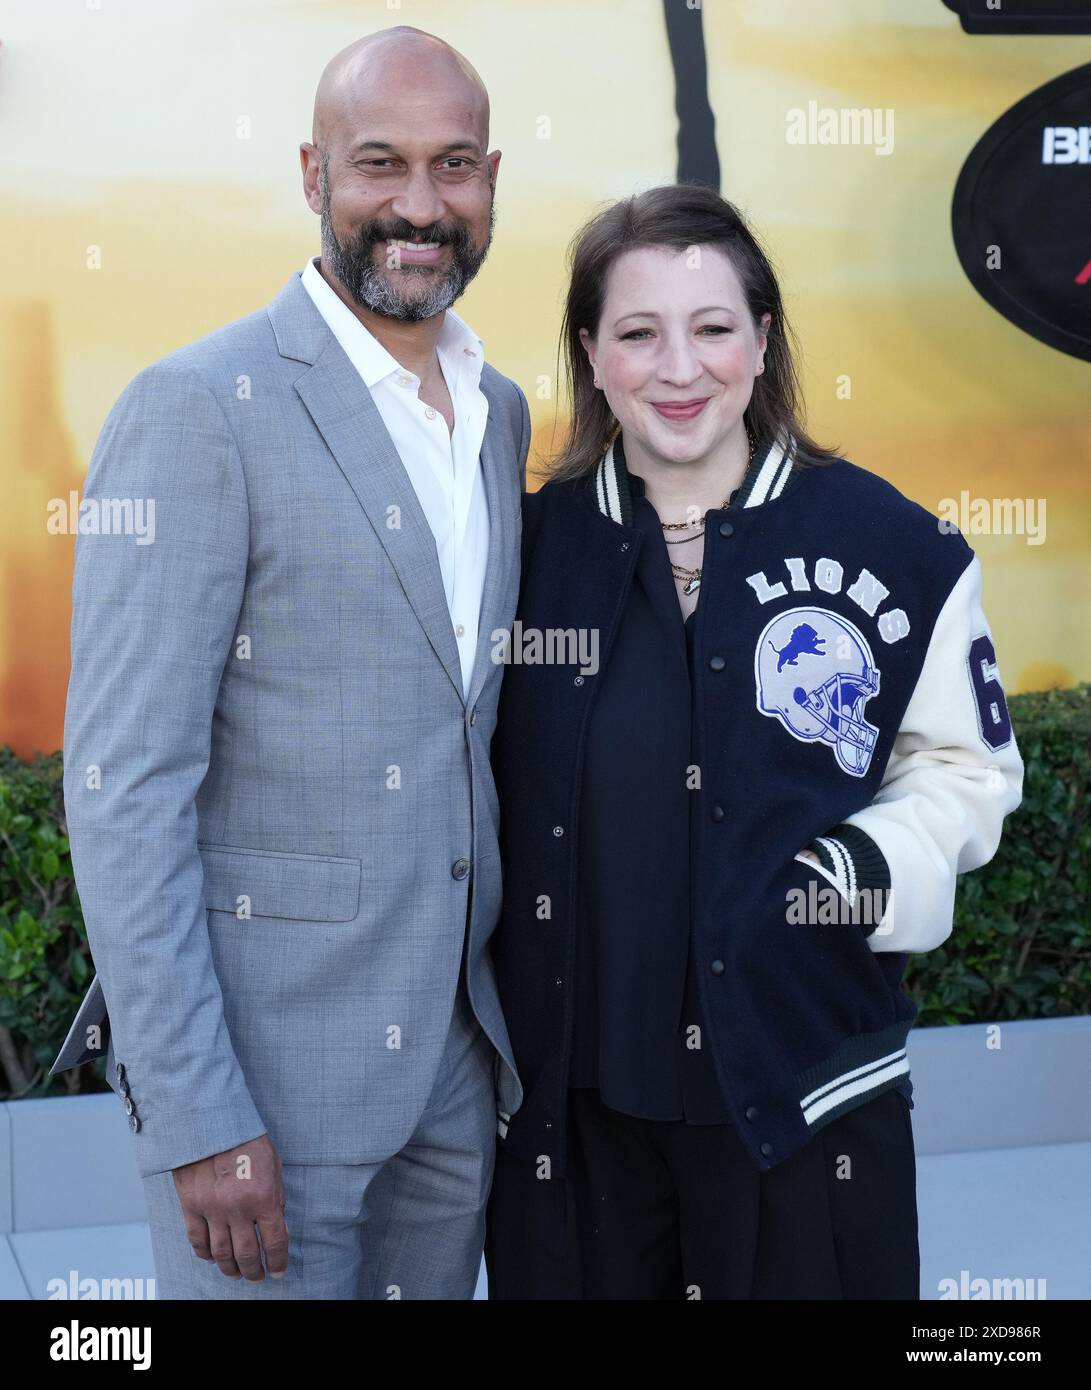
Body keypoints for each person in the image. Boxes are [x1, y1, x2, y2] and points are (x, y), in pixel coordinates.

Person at [484, 182, 1024, 1300]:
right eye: (637, 333)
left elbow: (967, 769)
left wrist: (856, 870)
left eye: (712, 328)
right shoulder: (524, 551)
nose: (678, 368)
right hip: (572, 1121)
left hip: (806, 1098)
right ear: (590, 353)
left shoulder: (892, 545)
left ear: (762, 338)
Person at [53, 26, 528, 1300]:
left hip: (452, 1070)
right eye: (379, 164)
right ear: (312, 174)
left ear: (492, 181)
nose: (419, 206)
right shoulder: (197, 408)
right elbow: (123, 786)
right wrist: (196, 1115)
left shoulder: (500, 414)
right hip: (259, 1094)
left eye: (453, 166)